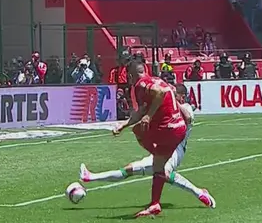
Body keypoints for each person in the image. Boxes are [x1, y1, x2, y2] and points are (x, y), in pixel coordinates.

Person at [80, 83, 216, 210]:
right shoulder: (169, 108)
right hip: (164, 146)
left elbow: (188, 118)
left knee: (165, 173)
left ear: (181, 96)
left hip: (176, 150)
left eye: (175, 95)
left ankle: (199, 193)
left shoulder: (186, 107)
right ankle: (90, 177)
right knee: (129, 169)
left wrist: (173, 100)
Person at [111, 63, 215, 217]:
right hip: (178, 131)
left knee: (138, 131)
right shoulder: (156, 80)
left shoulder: (141, 85)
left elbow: (158, 95)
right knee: (158, 168)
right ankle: (154, 204)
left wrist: (149, 115)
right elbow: (143, 108)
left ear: (131, 75)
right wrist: (124, 124)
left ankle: (155, 153)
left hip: (167, 130)